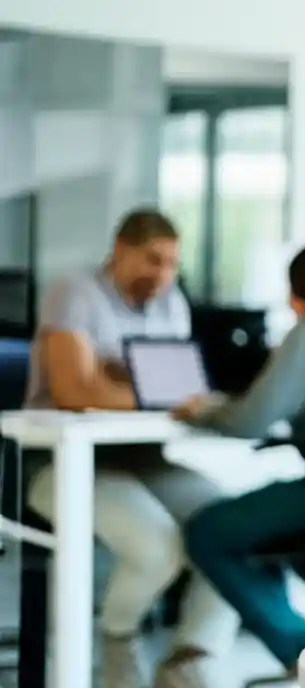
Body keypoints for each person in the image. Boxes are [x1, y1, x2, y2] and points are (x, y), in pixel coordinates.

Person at [24, 208, 239, 688]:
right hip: (61, 464)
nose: (163, 275)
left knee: (235, 528)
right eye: (152, 260)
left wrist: (114, 382)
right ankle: (117, 642)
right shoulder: (75, 292)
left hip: (145, 459)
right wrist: (143, 389)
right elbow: (74, 391)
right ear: (119, 250)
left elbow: (177, 393)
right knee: (157, 547)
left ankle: (188, 658)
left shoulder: (171, 302)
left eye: (172, 264)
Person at [177, 244, 305, 677]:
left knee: (208, 531)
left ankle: (304, 653)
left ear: (294, 295)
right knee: (254, 535)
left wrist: (203, 409)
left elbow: (250, 420)